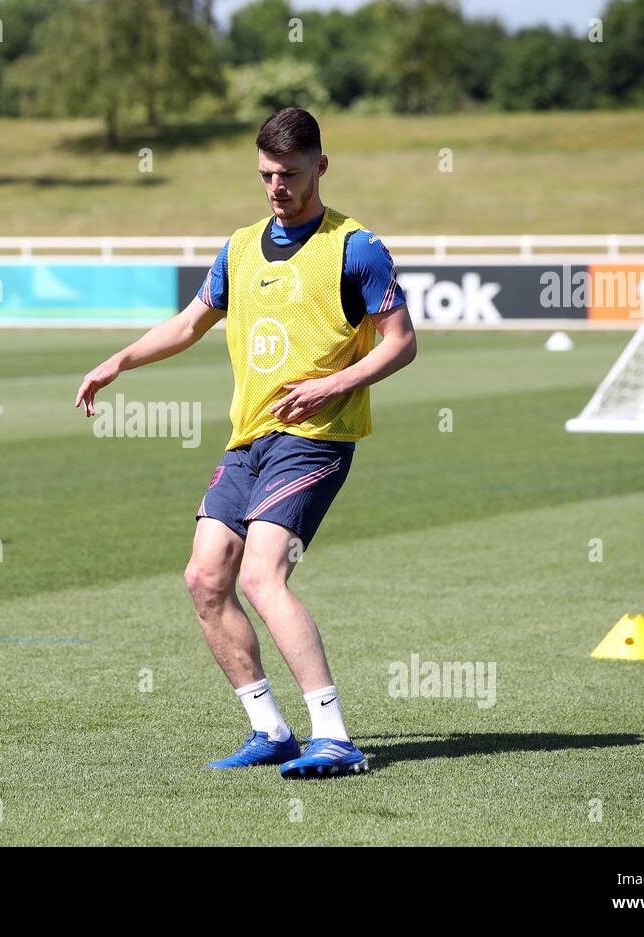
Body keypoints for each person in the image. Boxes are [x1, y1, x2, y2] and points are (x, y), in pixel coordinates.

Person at [75, 107, 417, 778]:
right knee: (205, 578)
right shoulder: (238, 246)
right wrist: (119, 361)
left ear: (321, 165)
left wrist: (331, 385)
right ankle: (270, 728)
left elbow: (401, 343)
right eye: (265, 175)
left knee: (263, 575)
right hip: (248, 438)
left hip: (316, 435)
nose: (276, 187)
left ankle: (335, 735)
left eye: (289, 173)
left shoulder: (357, 247)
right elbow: (191, 322)